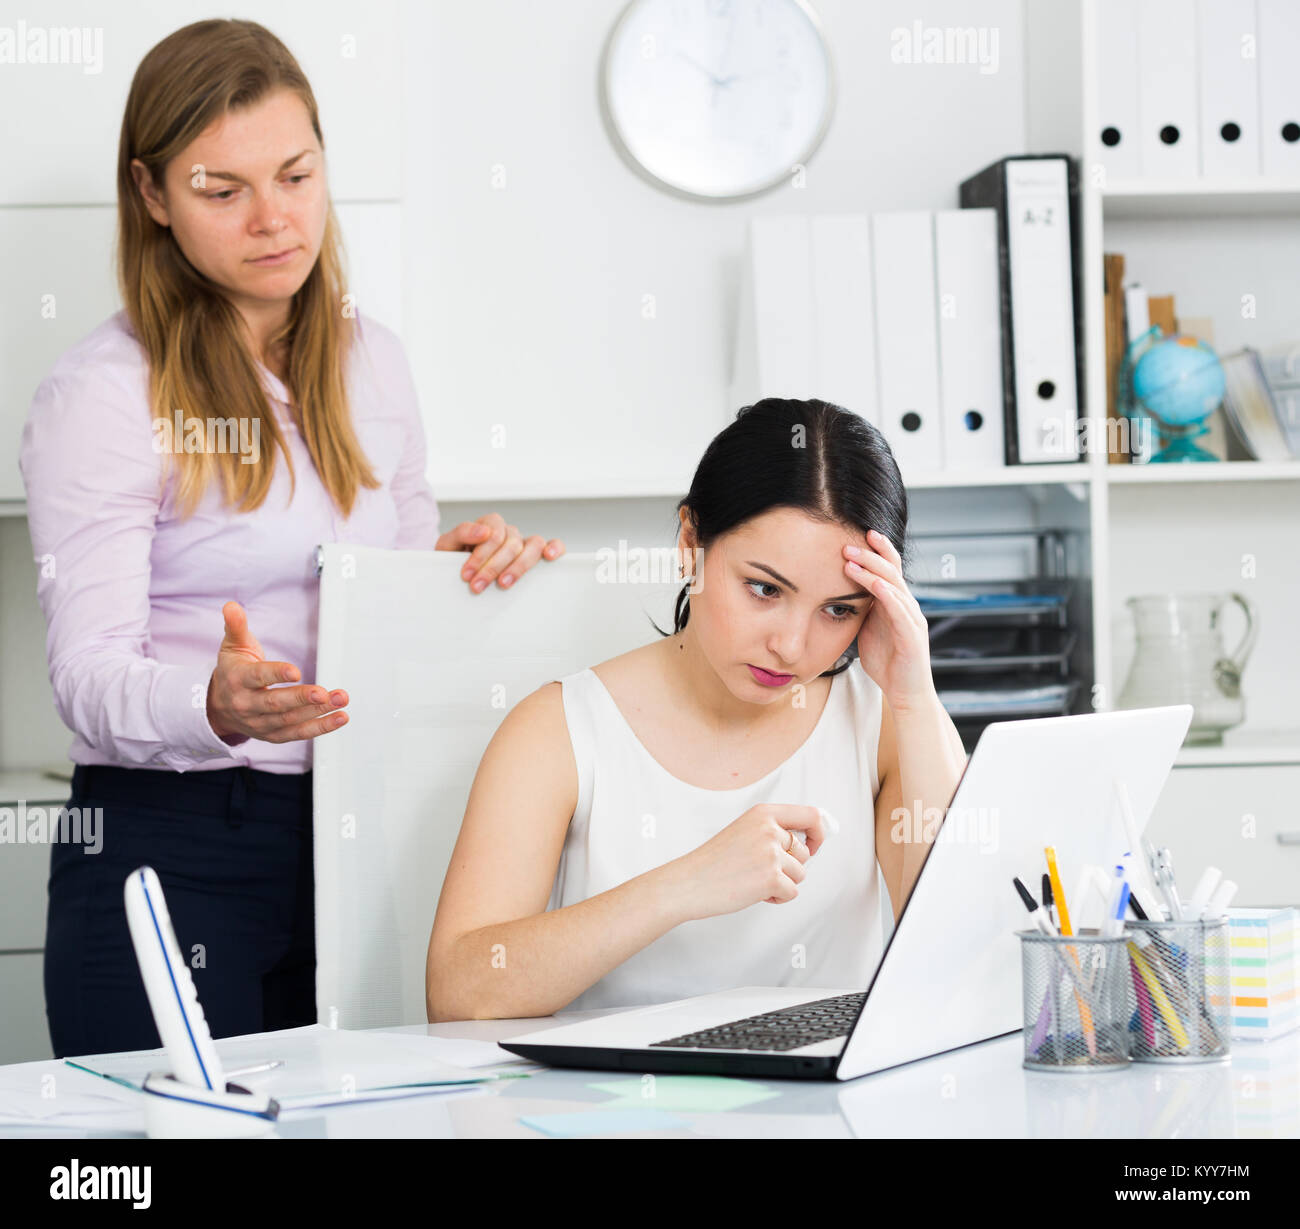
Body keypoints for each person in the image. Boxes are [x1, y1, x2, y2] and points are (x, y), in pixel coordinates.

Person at [19, 18, 563, 1058]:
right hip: (168, 837)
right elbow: (86, 675)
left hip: (354, 832)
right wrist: (209, 703)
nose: (273, 218)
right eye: (222, 190)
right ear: (152, 196)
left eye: (296, 175)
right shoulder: (101, 394)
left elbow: (386, 599)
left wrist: (456, 575)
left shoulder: (375, 362)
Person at [426, 398, 968, 1021]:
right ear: (692, 543)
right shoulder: (558, 728)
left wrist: (914, 693)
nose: (791, 646)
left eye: (839, 609)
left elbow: (959, 953)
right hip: (618, 1109)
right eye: (764, 589)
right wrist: (685, 885)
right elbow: (457, 994)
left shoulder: (885, 723)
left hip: (822, 1112)